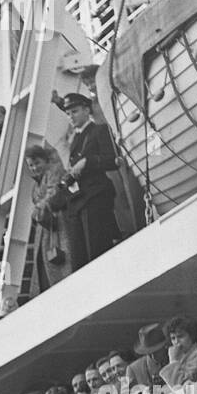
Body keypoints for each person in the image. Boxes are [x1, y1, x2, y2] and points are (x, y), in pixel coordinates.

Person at [60, 92, 120, 269]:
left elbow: (113, 161)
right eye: (68, 113)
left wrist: (87, 162)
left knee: (98, 251)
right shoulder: (77, 138)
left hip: (96, 198)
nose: (71, 116)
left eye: (75, 111)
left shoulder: (99, 130)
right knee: (82, 257)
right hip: (80, 201)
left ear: (87, 110)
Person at [25, 144, 71, 289]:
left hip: (59, 221)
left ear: (45, 160)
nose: (34, 168)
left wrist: (39, 208)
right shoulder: (38, 182)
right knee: (48, 260)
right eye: (31, 165)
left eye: (37, 163)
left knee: (61, 256)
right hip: (46, 225)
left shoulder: (53, 171)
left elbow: (53, 192)